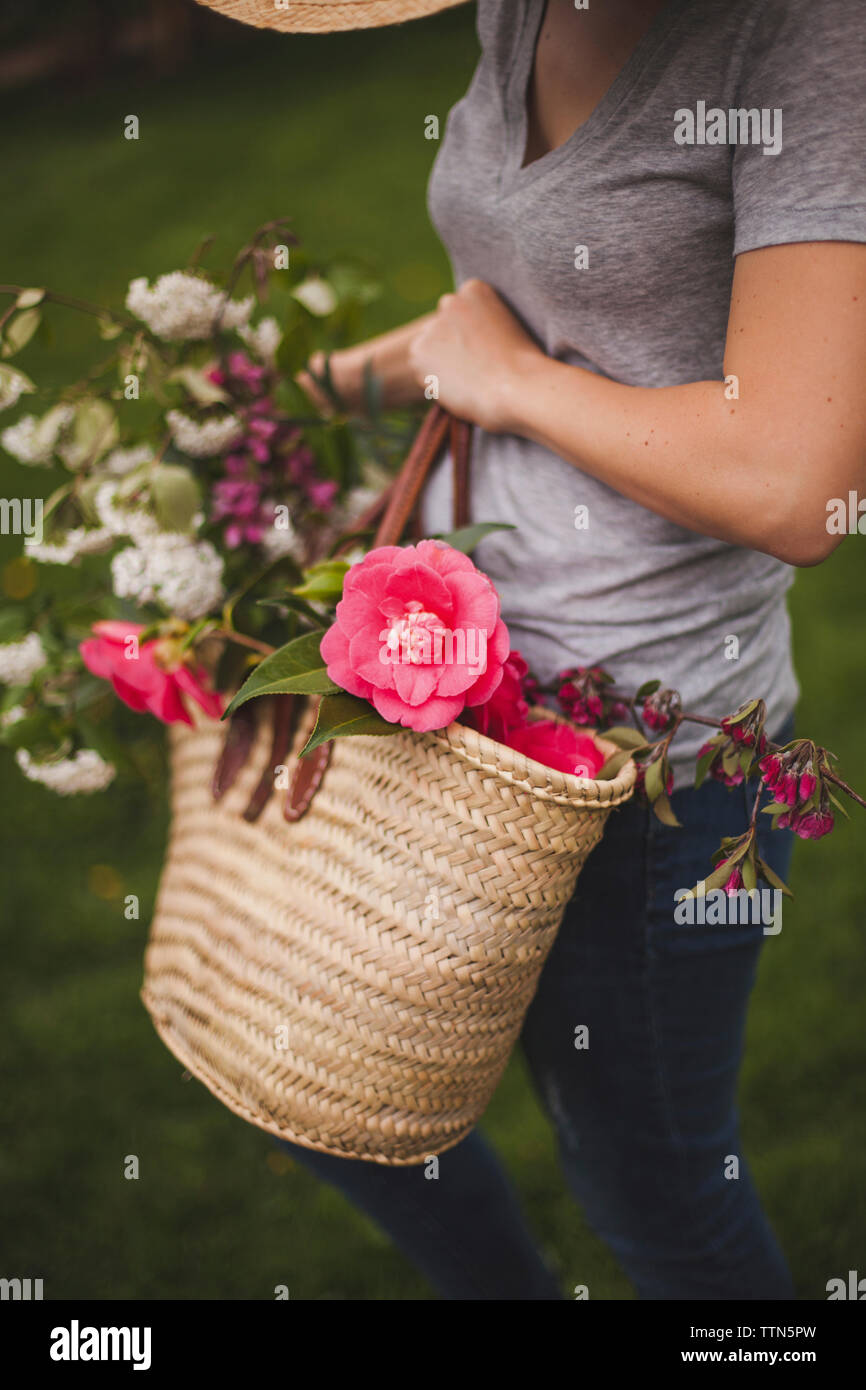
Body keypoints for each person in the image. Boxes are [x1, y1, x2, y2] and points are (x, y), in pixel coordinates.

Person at [265, 0, 864, 1298]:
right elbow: (510, 309)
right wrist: (300, 389)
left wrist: (511, 386)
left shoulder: (810, 39)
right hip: (450, 706)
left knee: (653, 1189)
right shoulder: (520, 7)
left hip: (642, 759)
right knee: (325, 1077)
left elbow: (798, 484)